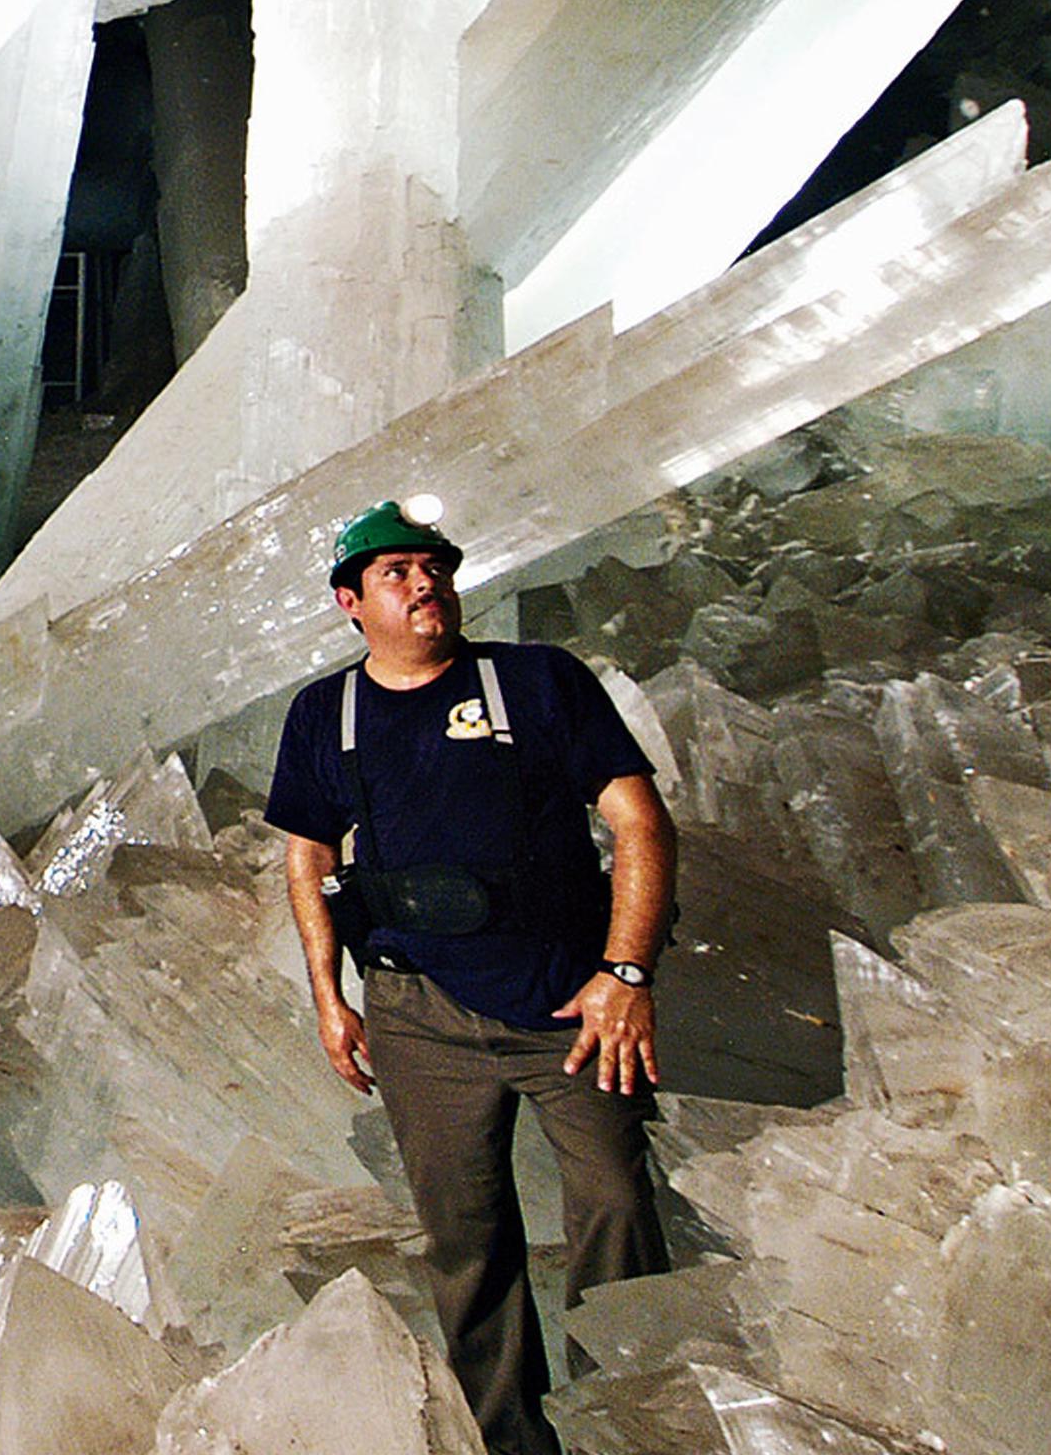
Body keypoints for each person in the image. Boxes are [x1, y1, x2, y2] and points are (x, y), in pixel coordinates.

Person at [265, 499, 674, 1455]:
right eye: (396, 573)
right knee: (466, 1243)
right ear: (350, 602)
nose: (424, 585)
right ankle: (512, 1441)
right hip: (417, 1014)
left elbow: (641, 823)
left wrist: (626, 971)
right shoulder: (327, 714)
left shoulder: (538, 683)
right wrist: (330, 999)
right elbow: (307, 858)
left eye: (433, 566)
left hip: (570, 1004)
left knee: (617, 1203)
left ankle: (632, 1424)